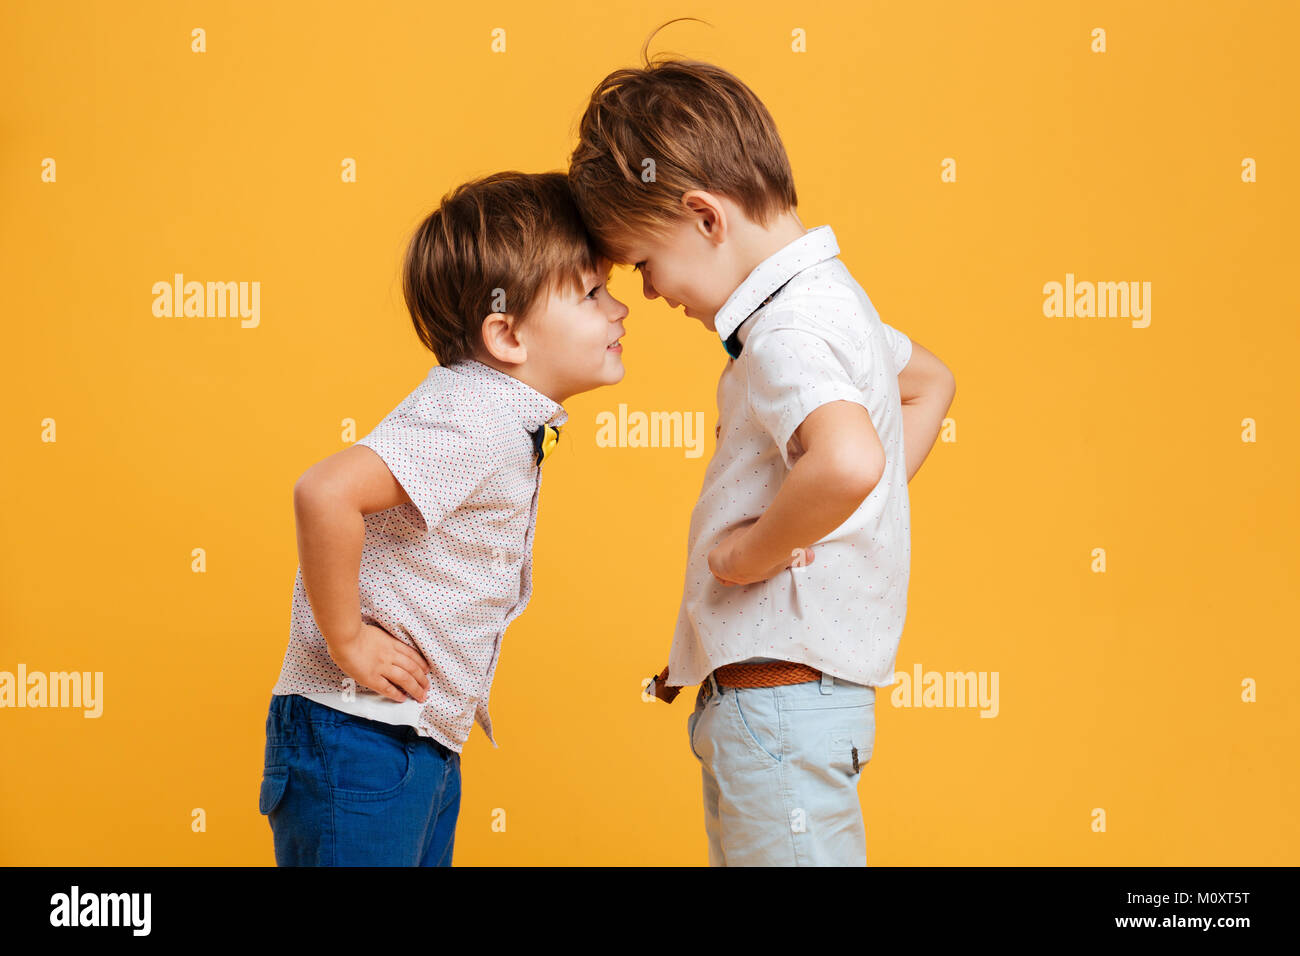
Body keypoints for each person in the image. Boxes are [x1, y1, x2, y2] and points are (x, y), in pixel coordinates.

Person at [569, 54, 956, 865]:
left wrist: (747, 559)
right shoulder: (835, 300)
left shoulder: (784, 334)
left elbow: (849, 462)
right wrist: (840, 513)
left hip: (778, 704)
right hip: (792, 699)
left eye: (644, 262)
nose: (646, 292)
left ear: (706, 217)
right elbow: (924, 385)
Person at [258, 171, 629, 865]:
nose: (619, 310)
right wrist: (348, 641)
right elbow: (324, 491)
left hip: (414, 738)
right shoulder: (476, 416)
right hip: (360, 734)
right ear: (506, 334)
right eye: (591, 293)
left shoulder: (498, 415)